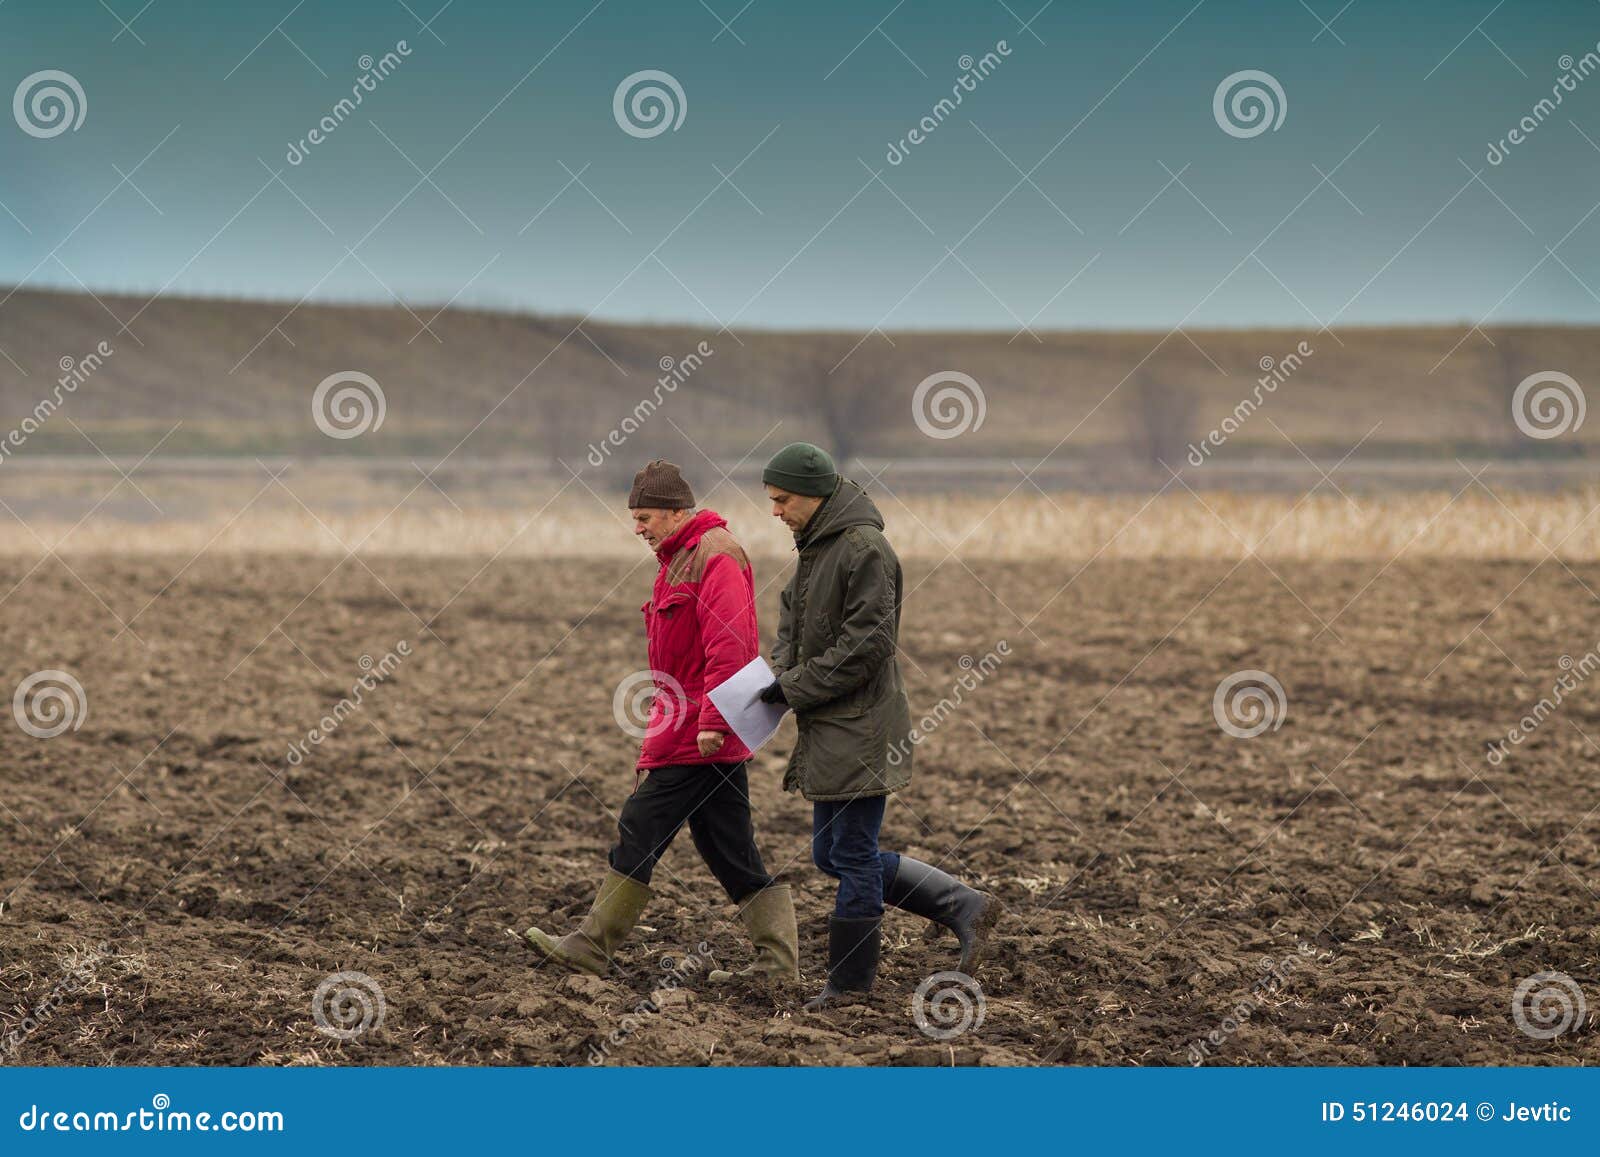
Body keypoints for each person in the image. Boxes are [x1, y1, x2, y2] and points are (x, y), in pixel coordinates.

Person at [522, 459, 798, 981]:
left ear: (675, 513)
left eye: (645, 517)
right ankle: (778, 966)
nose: (638, 528)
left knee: (640, 824)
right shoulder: (677, 559)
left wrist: (714, 722)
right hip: (688, 725)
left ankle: (592, 946)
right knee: (729, 849)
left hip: (702, 731)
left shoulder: (716, 556)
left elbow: (731, 646)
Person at [757, 443, 1000, 1009]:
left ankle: (848, 985)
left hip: (863, 727)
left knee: (856, 856)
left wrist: (794, 686)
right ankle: (963, 904)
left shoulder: (865, 549)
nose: (775, 511)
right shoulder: (815, 550)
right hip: (832, 723)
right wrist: (779, 677)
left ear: (815, 495)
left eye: (782, 499)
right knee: (830, 855)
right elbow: (791, 630)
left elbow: (869, 645)